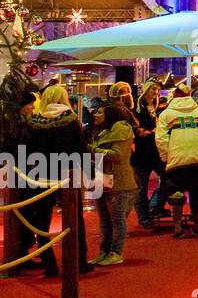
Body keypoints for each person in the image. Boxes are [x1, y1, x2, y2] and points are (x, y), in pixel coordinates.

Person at [17, 86, 92, 276]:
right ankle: (79, 261)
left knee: (42, 219)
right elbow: (80, 150)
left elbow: (26, 148)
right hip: (67, 174)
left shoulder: (33, 121)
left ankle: (49, 263)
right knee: (74, 219)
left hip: (40, 173)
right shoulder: (70, 120)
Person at [155, 82, 198, 238]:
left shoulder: (166, 115)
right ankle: (197, 225)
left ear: (174, 96)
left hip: (176, 161)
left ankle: (177, 226)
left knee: (176, 194)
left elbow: (161, 139)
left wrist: (166, 156)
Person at [89, 82, 138, 265]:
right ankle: (104, 251)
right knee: (104, 220)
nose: (96, 115)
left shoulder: (122, 129)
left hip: (119, 180)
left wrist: (93, 151)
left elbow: (118, 155)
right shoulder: (101, 132)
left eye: (100, 112)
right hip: (101, 179)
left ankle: (116, 252)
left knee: (117, 219)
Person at [131, 80, 167, 228]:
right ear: (146, 90)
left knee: (168, 177)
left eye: (157, 90)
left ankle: (155, 205)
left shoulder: (158, 107)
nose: (155, 92)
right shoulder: (137, 108)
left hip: (155, 151)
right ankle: (144, 217)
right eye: (153, 89)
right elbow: (137, 130)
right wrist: (150, 131)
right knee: (141, 188)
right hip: (141, 153)